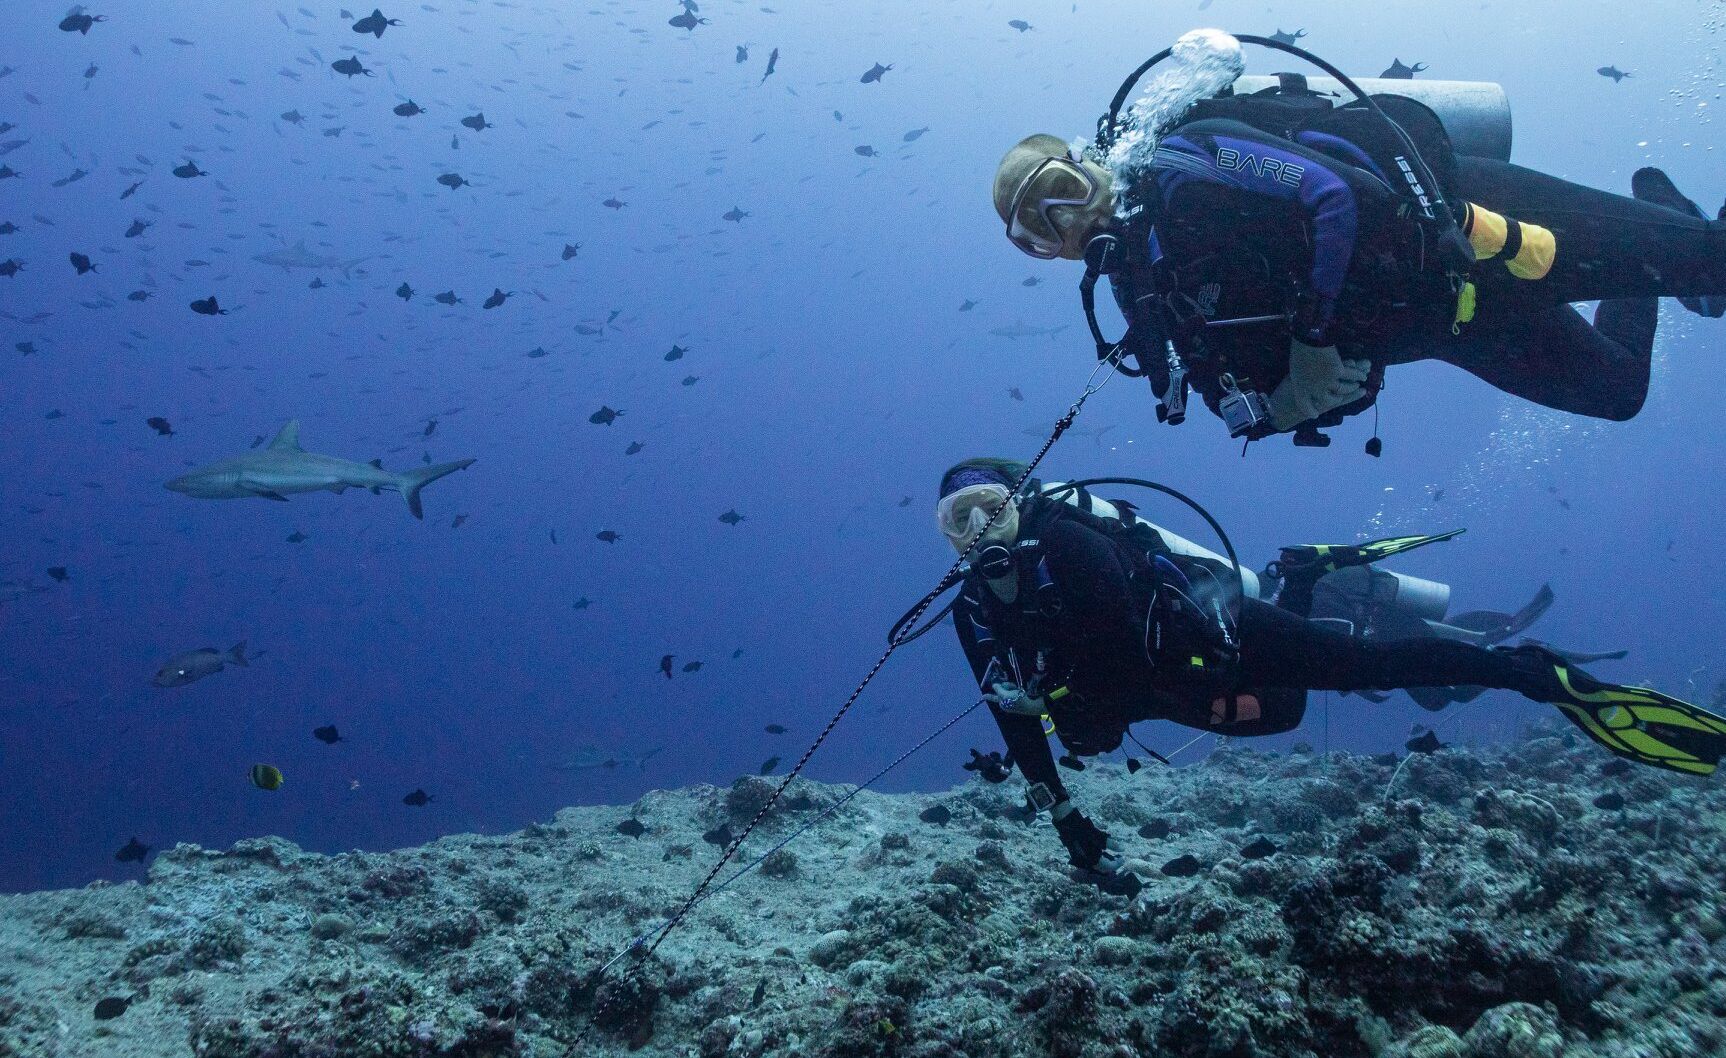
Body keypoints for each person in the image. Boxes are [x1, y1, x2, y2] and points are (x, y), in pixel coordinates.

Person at [937, 459, 1726, 888]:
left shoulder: (1069, 542)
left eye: (988, 506)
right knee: (1279, 716)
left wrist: (1058, 698)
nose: (976, 529)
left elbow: (1114, 646)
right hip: (1167, 690)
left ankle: (1526, 672)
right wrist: (1064, 814)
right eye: (956, 520)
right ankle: (1305, 580)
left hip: (1220, 639)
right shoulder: (970, 610)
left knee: (1361, 667)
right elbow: (1008, 714)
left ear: (1021, 502)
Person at [991, 31, 1726, 447]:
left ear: (1087, 163)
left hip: (1477, 229)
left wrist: (1310, 342)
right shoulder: (1142, 291)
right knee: (1618, 391)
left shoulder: (1186, 159)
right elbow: (1219, 393)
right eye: (1038, 230)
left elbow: (1336, 196)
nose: (1067, 223)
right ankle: (1661, 235)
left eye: (1062, 191)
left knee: (1714, 260)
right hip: (1448, 324)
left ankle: (1678, 248)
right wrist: (1282, 409)